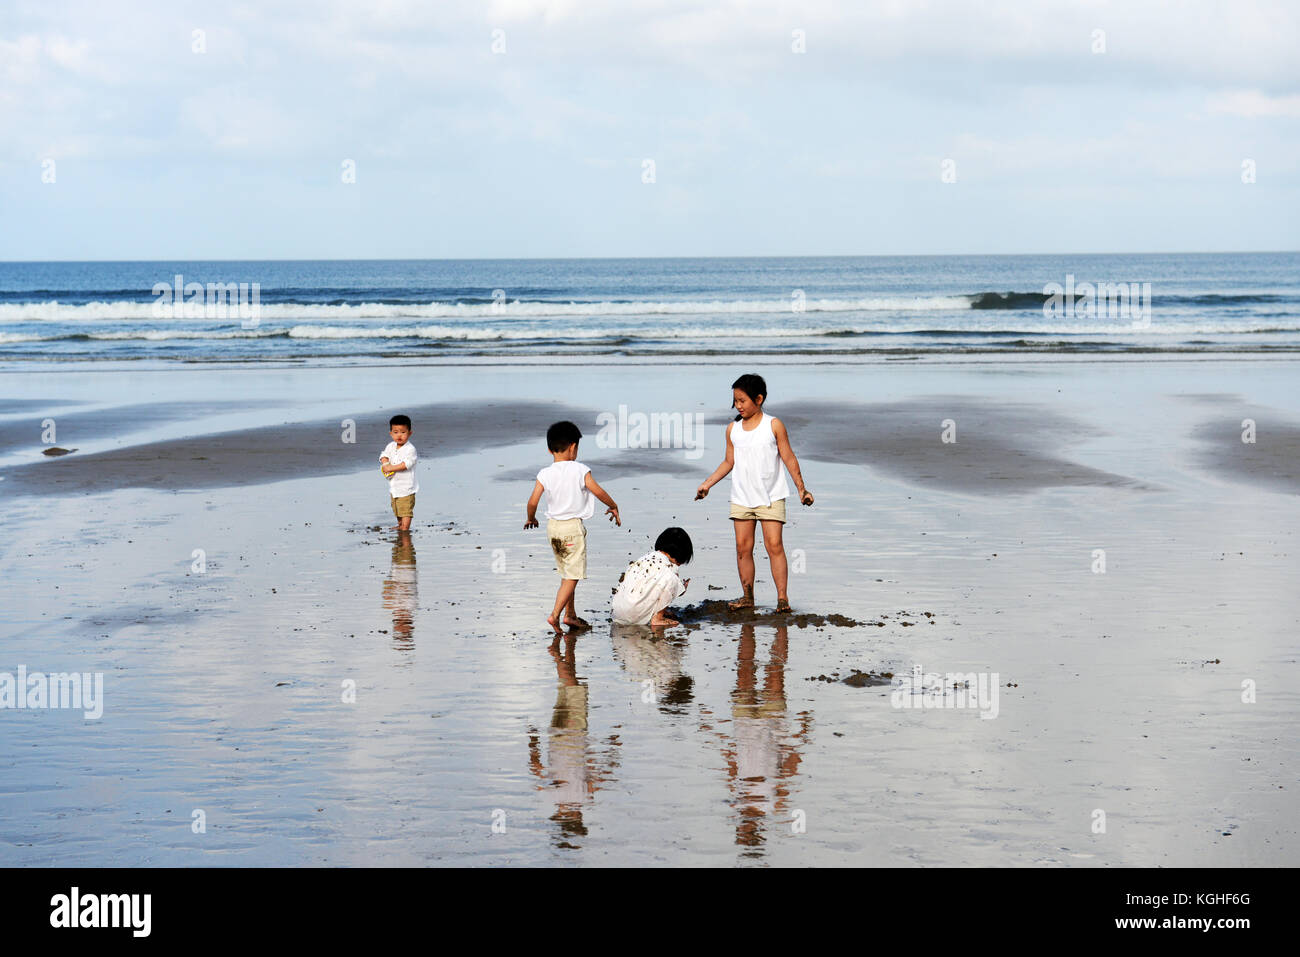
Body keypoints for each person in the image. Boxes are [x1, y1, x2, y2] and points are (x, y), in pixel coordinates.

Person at [695, 374, 813, 612]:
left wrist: (802, 489)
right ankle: (748, 596)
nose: (738, 405)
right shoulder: (733, 429)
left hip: (771, 496)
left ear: (758, 399)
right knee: (743, 548)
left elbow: (788, 457)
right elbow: (729, 462)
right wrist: (707, 484)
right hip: (741, 497)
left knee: (774, 546)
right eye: (735, 401)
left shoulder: (774, 425)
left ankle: (782, 599)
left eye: (742, 400)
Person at [525, 420, 620, 636]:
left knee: (567, 572)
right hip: (572, 529)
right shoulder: (580, 470)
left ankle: (571, 614)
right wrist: (613, 505)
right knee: (572, 575)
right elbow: (598, 491)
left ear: (550, 449)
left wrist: (531, 518)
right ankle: (555, 614)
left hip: (553, 529)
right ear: (573, 447)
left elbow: (532, 501)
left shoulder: (544, 473)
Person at [611, 527, 693, 628]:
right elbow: (671, 587)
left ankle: (652, 611)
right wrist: (682, 589)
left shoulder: (644, 559)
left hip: (618, 613)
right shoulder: (670, 567)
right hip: (635, 616)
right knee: (673, 580)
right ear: (681, 554)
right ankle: (658, 618)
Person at [379, 414, 418, 531]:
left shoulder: (410, 449)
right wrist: (385, 463)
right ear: (391, 433)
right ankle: (400, 524)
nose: (399, 435)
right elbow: (383, 455)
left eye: (403, 432)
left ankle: (405, 528)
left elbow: (407, 464)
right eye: (395, 432)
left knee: (405, 509)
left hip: (407, 487)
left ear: (409, 433)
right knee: (397, 508)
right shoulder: (391, 446)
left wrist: (391, 468)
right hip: (394, 485)